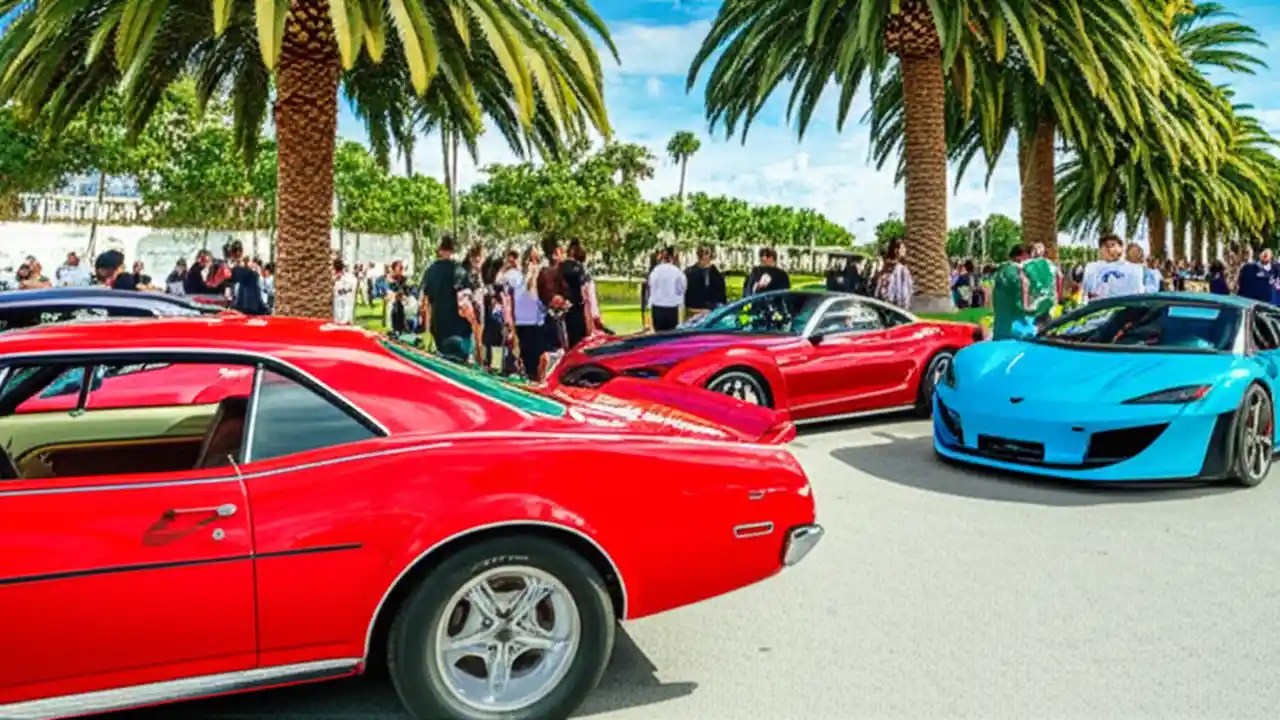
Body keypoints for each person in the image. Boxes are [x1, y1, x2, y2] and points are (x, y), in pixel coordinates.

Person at [421, 235, 476, 362]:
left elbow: (426, 302)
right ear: (453, 250)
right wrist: (474, 321)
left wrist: (427, 329)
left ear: (439, 250)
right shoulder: (459, 271)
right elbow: (464, 303)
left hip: (439, 327)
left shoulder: (430, 271)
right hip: (458, 329)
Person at [506, 246, 545, 380]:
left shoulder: (540, 276)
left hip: (536, 322)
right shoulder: (518, 277)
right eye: (530, 260)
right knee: (526, 358)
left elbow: (537, 297)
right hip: (523, 322)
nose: (533, 263)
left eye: (536, 260)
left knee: (535, 360)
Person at [991, 246, 1039, 340]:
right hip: (1019, 330)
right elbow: (1025, 305)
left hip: (1001, 328)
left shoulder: (1000, 272)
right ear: (1020, 257)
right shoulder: (1019, 274)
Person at [1081, 234, 1144, 302]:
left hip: (1127, 308)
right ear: (1100, 250)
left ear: (1121, 248)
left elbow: (1140, 294)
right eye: (1105, 246)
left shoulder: (1135, 269)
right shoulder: (1091, 267)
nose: (1109, 249)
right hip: (1099, 308)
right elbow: (1084, 292)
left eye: (1113, 245)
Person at [647, 246, 686, 332]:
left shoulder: (655, 271)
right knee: (671, 334)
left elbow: (651, 285)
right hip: (671, 307)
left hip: (657, 306)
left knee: (658, 333)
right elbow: (682, 288)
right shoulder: (677, 272)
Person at [560, 239, 590, 349]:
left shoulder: (561, 266)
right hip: (578, 305)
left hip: (565, 306)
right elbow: (583, 289)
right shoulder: (579, 268)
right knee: (580, 340)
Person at [224, 240, 268, 315]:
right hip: (237, 303)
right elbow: (228, 284)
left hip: (251, 303)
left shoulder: (251, 265)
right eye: (235, 250)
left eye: (239, 250)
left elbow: (259, 279)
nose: (237, 253)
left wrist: (247, 266)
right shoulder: (229, 266)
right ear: (232, 252)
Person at [684, 245, 727, 321]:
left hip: (711, 313)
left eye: (706, 253)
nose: (703, 256)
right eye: (701, 253)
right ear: (698, 254)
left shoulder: (717, 275)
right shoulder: (689, 273)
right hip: (693, 312)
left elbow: (722, 298)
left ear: (710, 255)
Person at [1023, 242, 1060, 323]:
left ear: (1033, 252)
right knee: (1046, 324)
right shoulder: (1051, 264)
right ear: (1043, 253)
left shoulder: (1026, 265)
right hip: (1049, 300)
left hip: (1033, 301)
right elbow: (1059, 279)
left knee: (1033, 325)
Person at [875, 238, 913, 308]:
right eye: (903, 248)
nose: (905, 250)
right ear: (896, 250)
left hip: (884, 304)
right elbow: (905, 292)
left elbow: (879, 288)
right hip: (896, 306)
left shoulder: (886, 268)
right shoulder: (901, 269)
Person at [332, 259, 357, 324]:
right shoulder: (334, 274)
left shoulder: (348, 275)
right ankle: (339, 321)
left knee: (347, 308)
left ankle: (345, 321)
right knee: (338, 308)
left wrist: (345, 289)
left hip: (346, 294)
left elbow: (351, 283)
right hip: (338, 294)